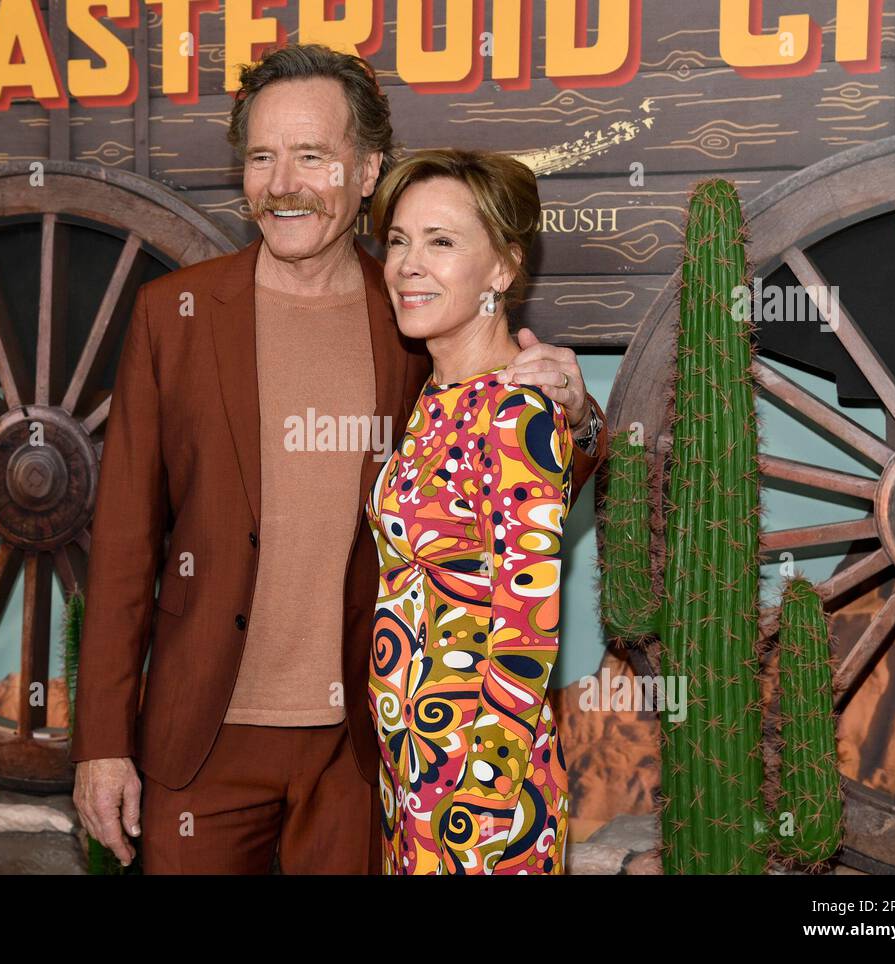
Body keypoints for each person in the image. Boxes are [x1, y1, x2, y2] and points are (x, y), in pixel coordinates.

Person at [71, 43, 607, 874]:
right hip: (200, 745)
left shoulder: (411, 318)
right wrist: (101, 745)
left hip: (364, 757)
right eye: (261, 156)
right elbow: (122, 546)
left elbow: (498, 482)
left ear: (366, 171)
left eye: (312, 156)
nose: (282, 182)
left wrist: (574, 419)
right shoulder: (172, 317)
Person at [367, 149, 575, 875]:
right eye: (398, 240)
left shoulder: (515, 411)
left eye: (441, 241)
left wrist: (478, 805)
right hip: (414, 780)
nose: (407, 264)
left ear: (502, 268)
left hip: (479, 797)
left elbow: (528, 628)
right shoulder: (433, 402)